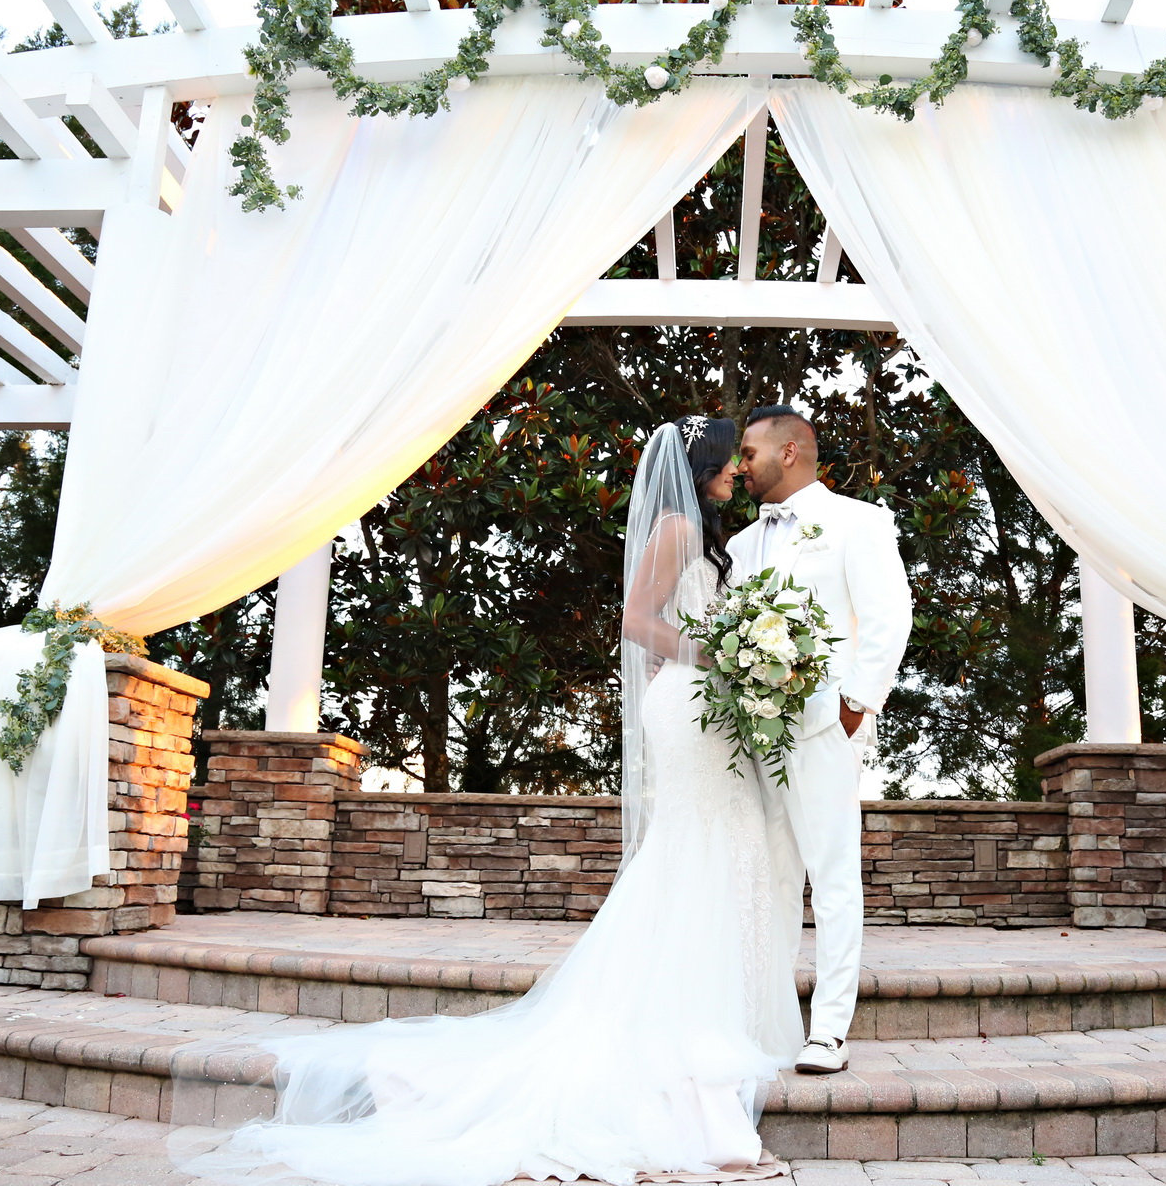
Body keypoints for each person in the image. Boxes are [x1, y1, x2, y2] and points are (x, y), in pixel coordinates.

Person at [172, 416, 803, 1186]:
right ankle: (689, 1016)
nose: (739, 471)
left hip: (709, 707)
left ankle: (715, 1009)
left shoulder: (703, 533)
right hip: (686, 702)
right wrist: (713, 653)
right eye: (731, 461)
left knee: (719, 841)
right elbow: (639, 623)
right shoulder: (674, 526)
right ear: (701, 463)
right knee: (699, 842)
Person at [727, 405, 913, 1075]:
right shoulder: (744, 545)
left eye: (749, 452)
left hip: (826, 728)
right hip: (757, 734)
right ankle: (773, 1020)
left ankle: (829, 1030)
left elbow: (890, 616)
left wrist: (855, 704)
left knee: (833, 879)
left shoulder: (858, 523)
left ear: (791, 452)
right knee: (770, 879)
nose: (739, 464)